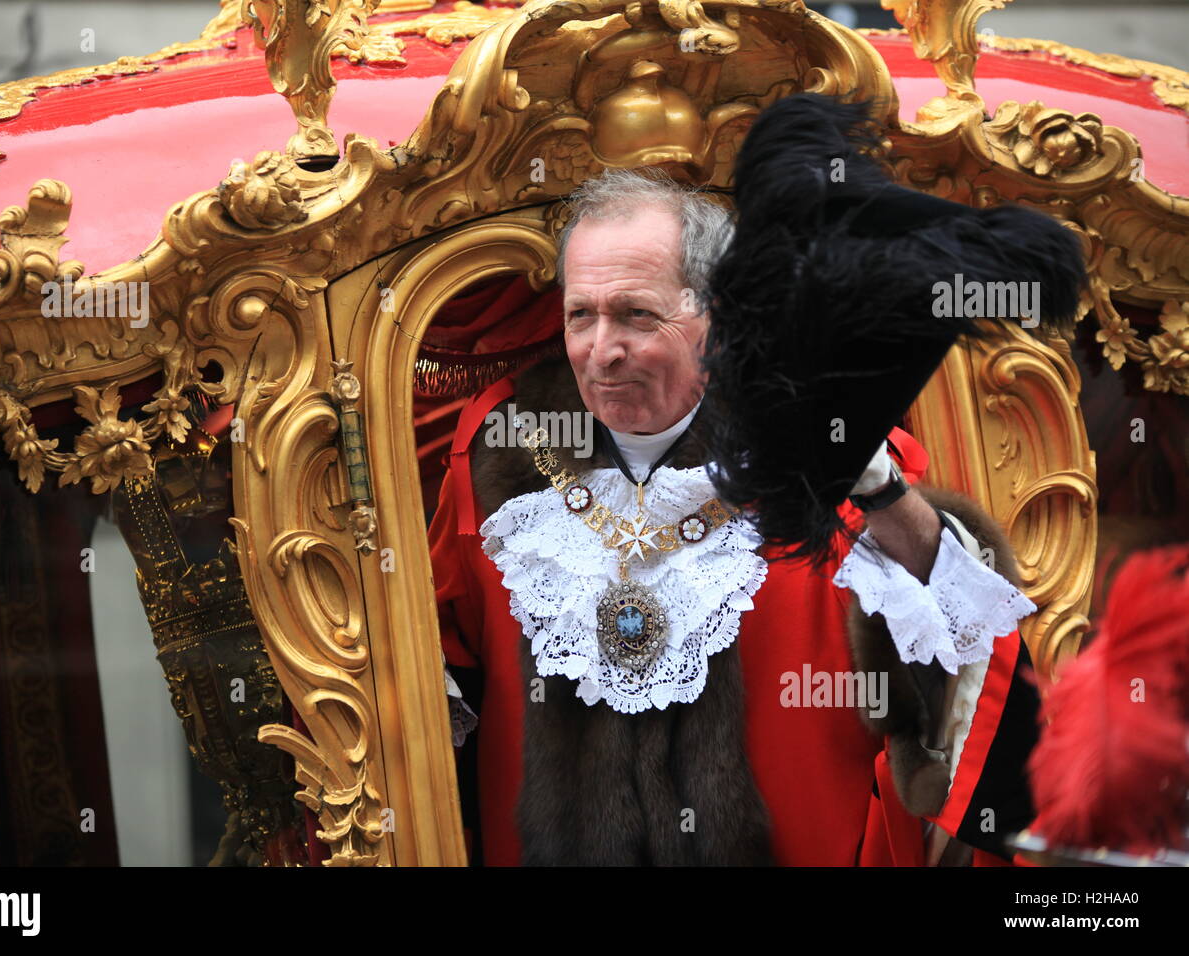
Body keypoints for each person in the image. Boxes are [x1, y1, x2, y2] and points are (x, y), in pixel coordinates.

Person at [429, 155, 1051, 866]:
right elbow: (435, 667)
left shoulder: (826, 453)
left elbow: (960, 647)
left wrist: (879, 491)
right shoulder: (500, 450)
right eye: (581, 315)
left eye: (636, 315)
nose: (602, 351)